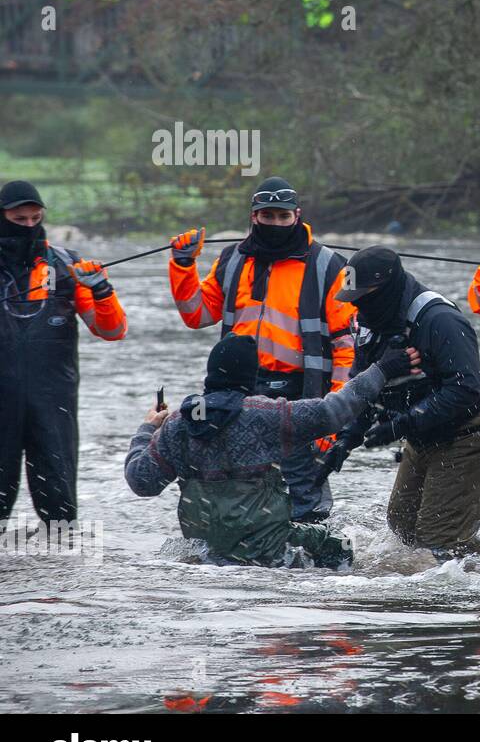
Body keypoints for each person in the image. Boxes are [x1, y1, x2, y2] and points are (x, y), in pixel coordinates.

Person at [124, 334, 418, 568]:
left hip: (204, 556)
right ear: (251, 376)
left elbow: (141, 482)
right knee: (339, 545)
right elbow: (336, 410)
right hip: (272, 556)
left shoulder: (178, 424)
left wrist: (148, 428)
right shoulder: (266, 415)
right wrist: (382, 370)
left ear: (210, 375)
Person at [166, 177, 355, 522]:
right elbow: (196, 314)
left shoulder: (328, 265)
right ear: (254, 217)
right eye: (268, 216)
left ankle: (315, 561)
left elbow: (346, 346)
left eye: (283, 217)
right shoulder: (232, 259)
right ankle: (247, 552)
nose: (276, 223)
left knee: (304, 491)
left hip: (302, 394)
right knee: (241, 479)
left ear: (297, 216)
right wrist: (182, 265)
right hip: (240, 393)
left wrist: (337, 413)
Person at [326, 247, 480, 557]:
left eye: (364, 296)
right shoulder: (368, 321)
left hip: (469, 433)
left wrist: (401, 424)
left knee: (440, 538)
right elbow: (366, 385)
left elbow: (465, 388)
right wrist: (346, 439)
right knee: (403, 525)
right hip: (422, 434)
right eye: (353, 298)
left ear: (387, 286)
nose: (358, 305)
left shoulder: (439, 319)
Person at [0, 180, 127, 526]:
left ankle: (61, 577)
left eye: (34, 219)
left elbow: (112, 331)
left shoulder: (68, 266)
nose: (28, 226)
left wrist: (101, 289)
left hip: (53, 403)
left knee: (60, 517)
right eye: (18, 219)